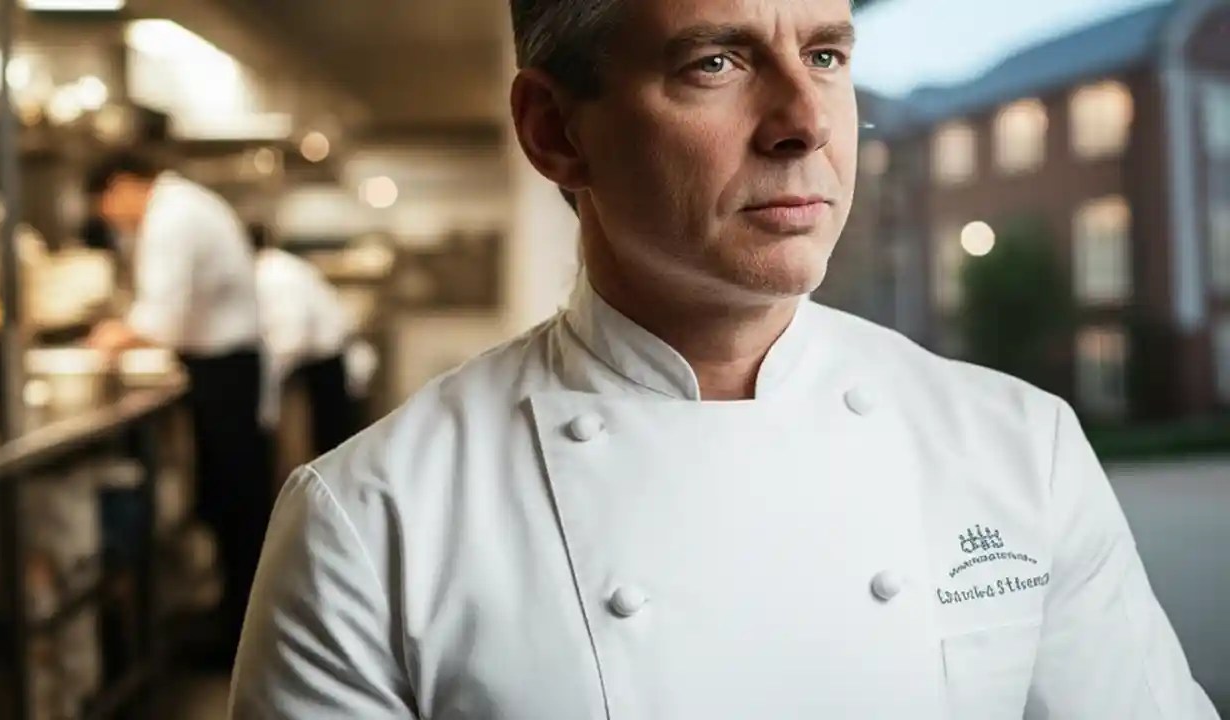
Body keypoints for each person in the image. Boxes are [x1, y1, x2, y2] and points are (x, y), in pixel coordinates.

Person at [231, 0, 1219, 717]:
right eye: (714, 60)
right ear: (553, 130)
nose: (804, 123)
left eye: (825, 55)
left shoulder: (1018, 447)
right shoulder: (368, 522)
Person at [84, 152, 272, 665]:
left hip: (223, 369)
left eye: (107, 204)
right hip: (227, 365)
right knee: (230, 500)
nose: (111, 217)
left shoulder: (171, 217)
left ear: (122, 185)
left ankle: (241, 637)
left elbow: (160, 318)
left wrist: (103, 340)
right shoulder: (184, 205)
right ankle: (239, 625)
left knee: (234, 502)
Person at [248, 222, 360, 456]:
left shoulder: (270, 274)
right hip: (319, 355)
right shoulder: (276, 265)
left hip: (323, 358)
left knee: (331, 443)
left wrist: (269, 373)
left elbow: (291, 335)